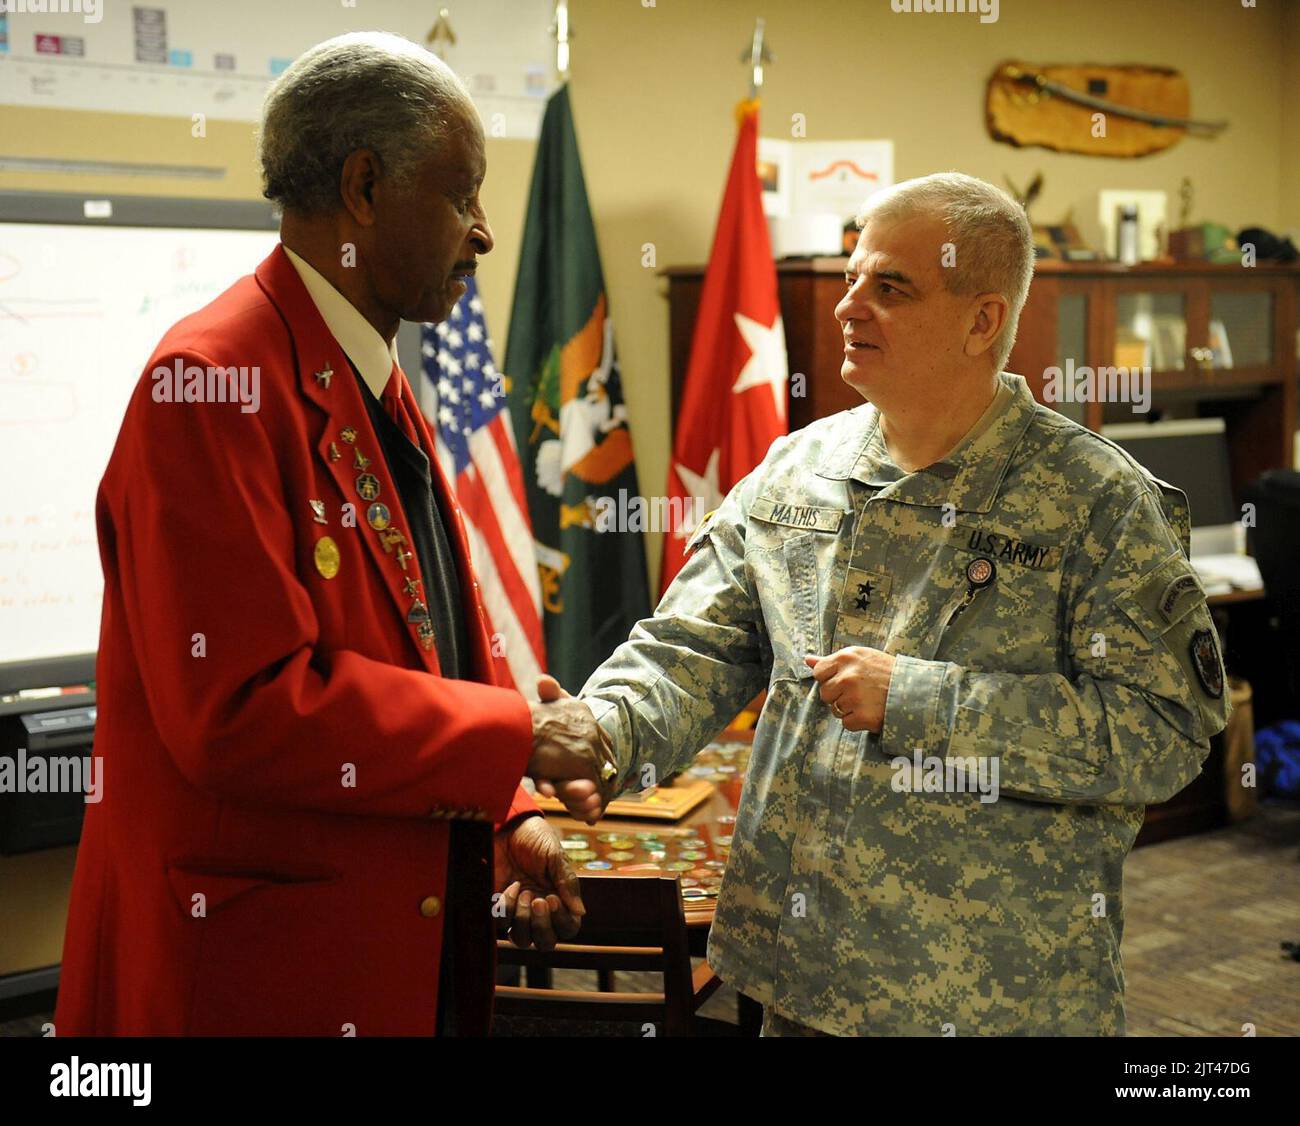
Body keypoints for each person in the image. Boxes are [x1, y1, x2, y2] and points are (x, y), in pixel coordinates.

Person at [548, 172, 1232, 1036]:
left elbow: (1163, 732)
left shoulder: (1095, 500)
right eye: (850, 280)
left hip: (990, 997)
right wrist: (604, 729)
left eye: (891, 288)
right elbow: (697, 646)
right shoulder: (797, 470)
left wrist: (920, 700)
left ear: (983, 320)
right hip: (798, 975)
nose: (850, 307)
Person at [54, 31, 606, 1037]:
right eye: (462, 194)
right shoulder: (211, 381)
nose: (483, 231)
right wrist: (519, 732)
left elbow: (426, 634)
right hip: (259, 975)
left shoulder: (362, 364)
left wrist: (510, 810)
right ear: (362, 187)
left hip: (388, 946)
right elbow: (244, 705)